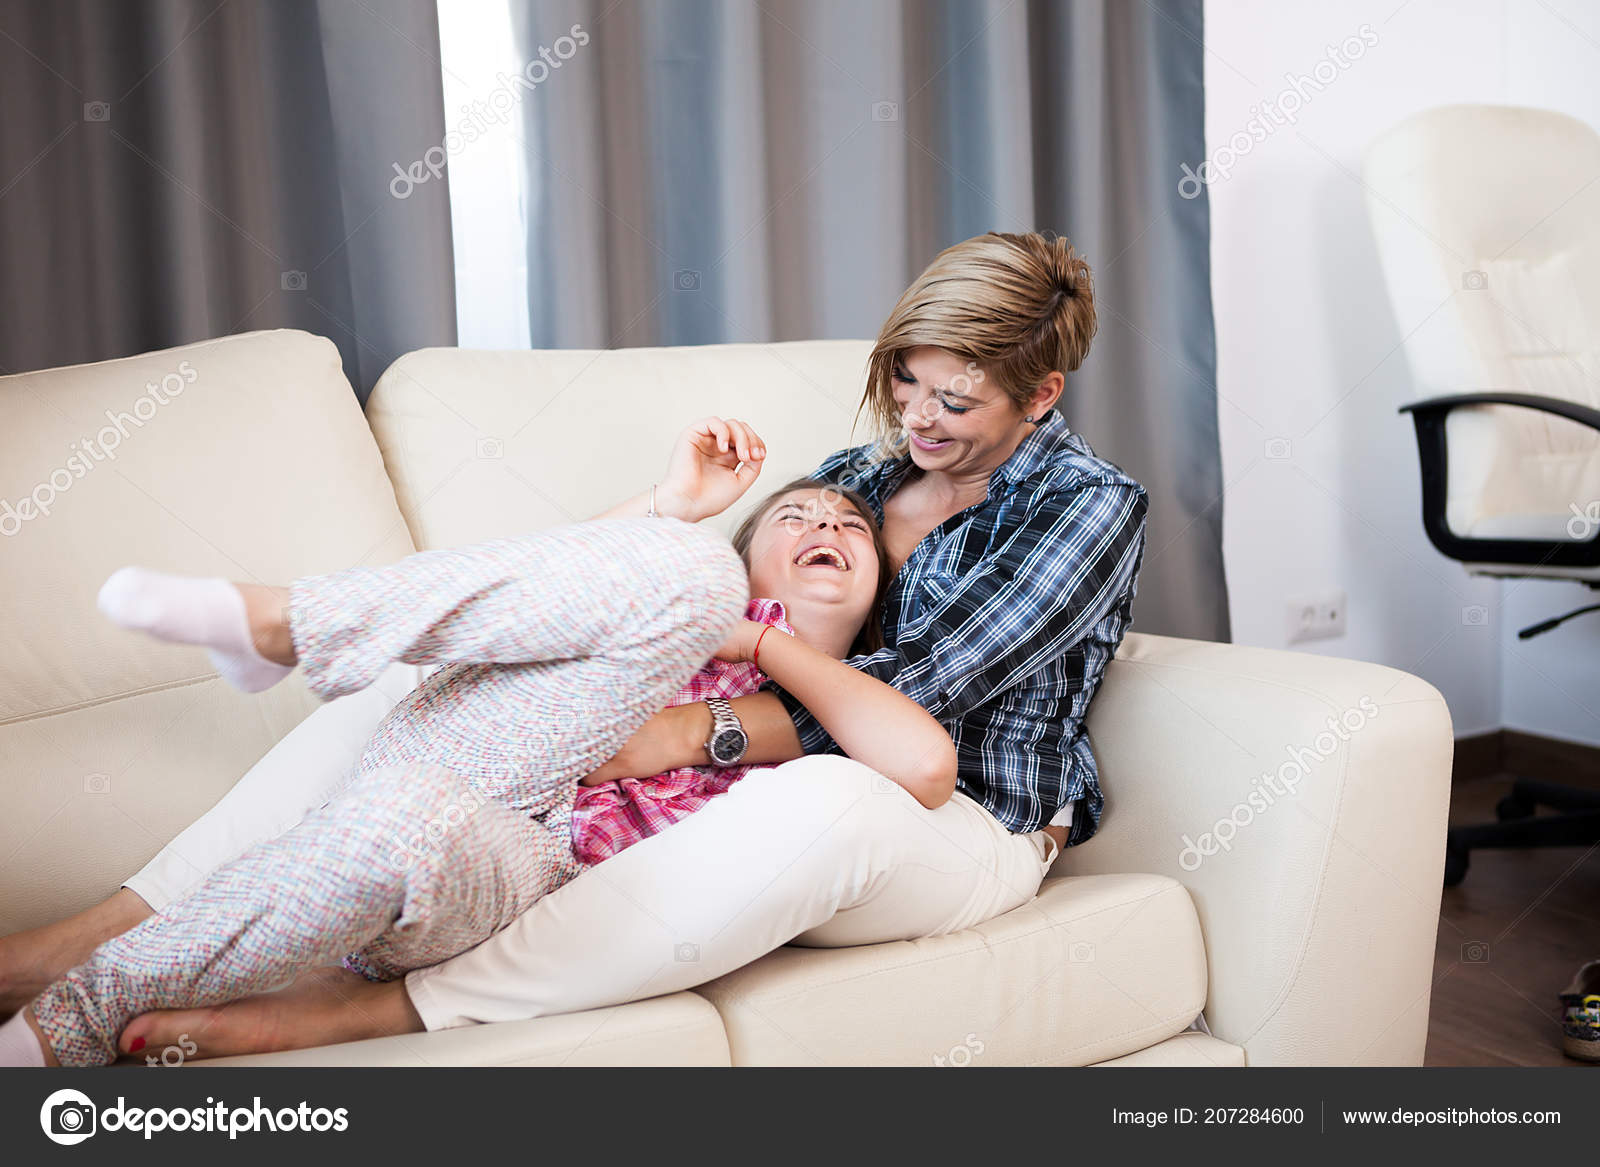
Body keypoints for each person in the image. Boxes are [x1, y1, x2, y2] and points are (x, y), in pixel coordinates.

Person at [0, 230, 1149, 1061]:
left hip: (959, 820)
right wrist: (668, 513)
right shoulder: (855, 480)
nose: (917, 419)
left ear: (1040, 395)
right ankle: (279, 652)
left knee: (830, 798)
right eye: (904, 384)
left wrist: (673, 734)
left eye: (955, 401)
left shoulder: (1087, 504)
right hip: (729, 751)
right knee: (469, 668)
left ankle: (381, 1010)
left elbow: (924, 703)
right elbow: (585, 597)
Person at [0, 474, 947, 1067]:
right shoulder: (691, 594)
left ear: (876, 590)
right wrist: (673, 509)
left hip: (540, 878)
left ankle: (58, 1024)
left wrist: (767, 645)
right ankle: (296, 621)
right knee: (674, 575)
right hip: (497, 761)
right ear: (754, 553)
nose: (826, 521)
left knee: (396, 822)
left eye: (851, 527)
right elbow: (542, 586)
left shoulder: (859, 685)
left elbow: (924, 765)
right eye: (795, 513)